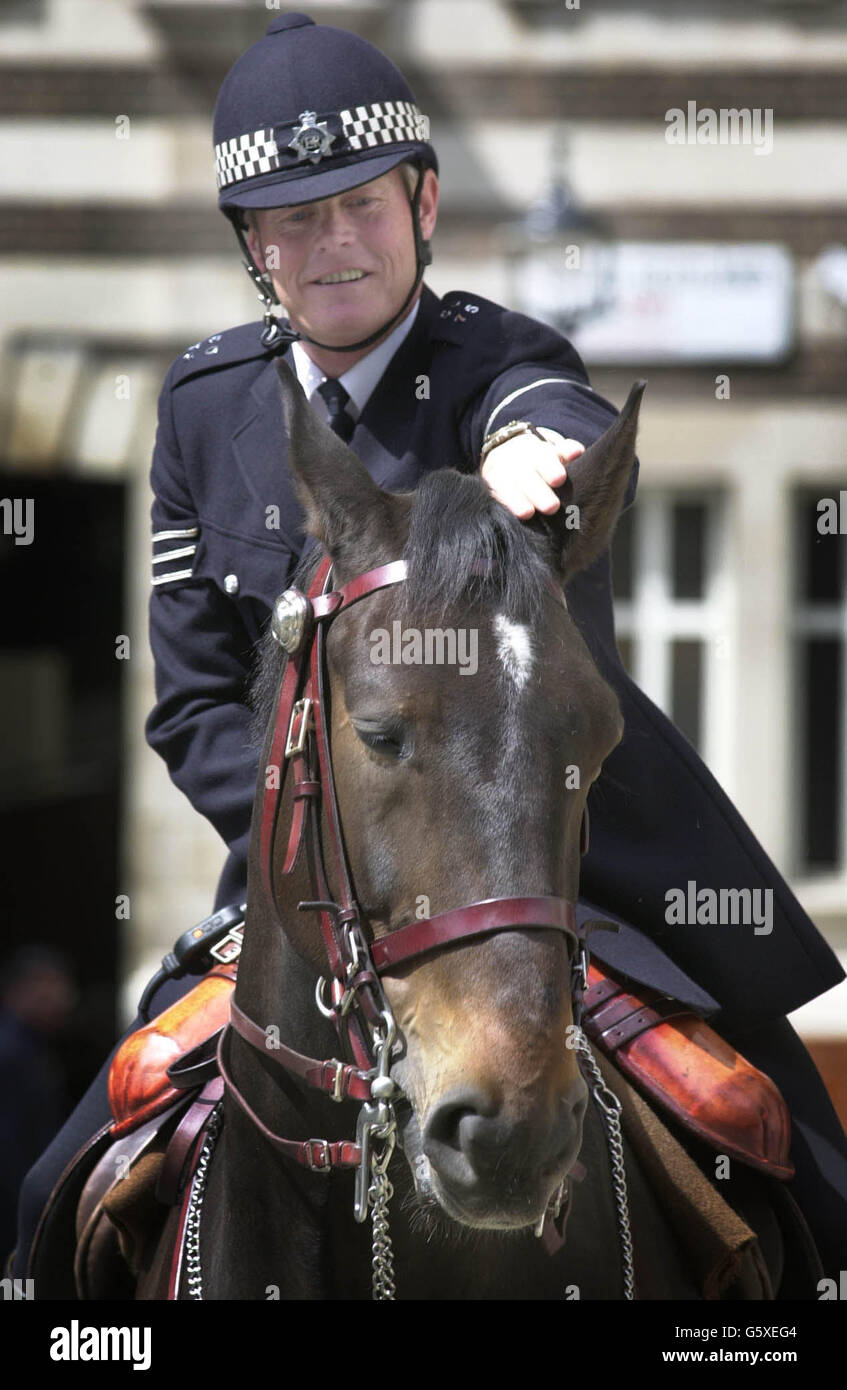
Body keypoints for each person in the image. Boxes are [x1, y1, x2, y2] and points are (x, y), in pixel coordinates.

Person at [11, 10, 847, 1287]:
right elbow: (190, 710)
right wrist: (319, 886)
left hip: (548, 874)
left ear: (425, 202)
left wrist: (533, 458)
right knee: (64, 1184)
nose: (331, 243)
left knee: (792, 1149)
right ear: (253, 248)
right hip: (300, 895)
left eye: (360, 205)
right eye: (291, 219)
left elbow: (546, 416)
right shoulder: (202, 407)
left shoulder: (504, 361)